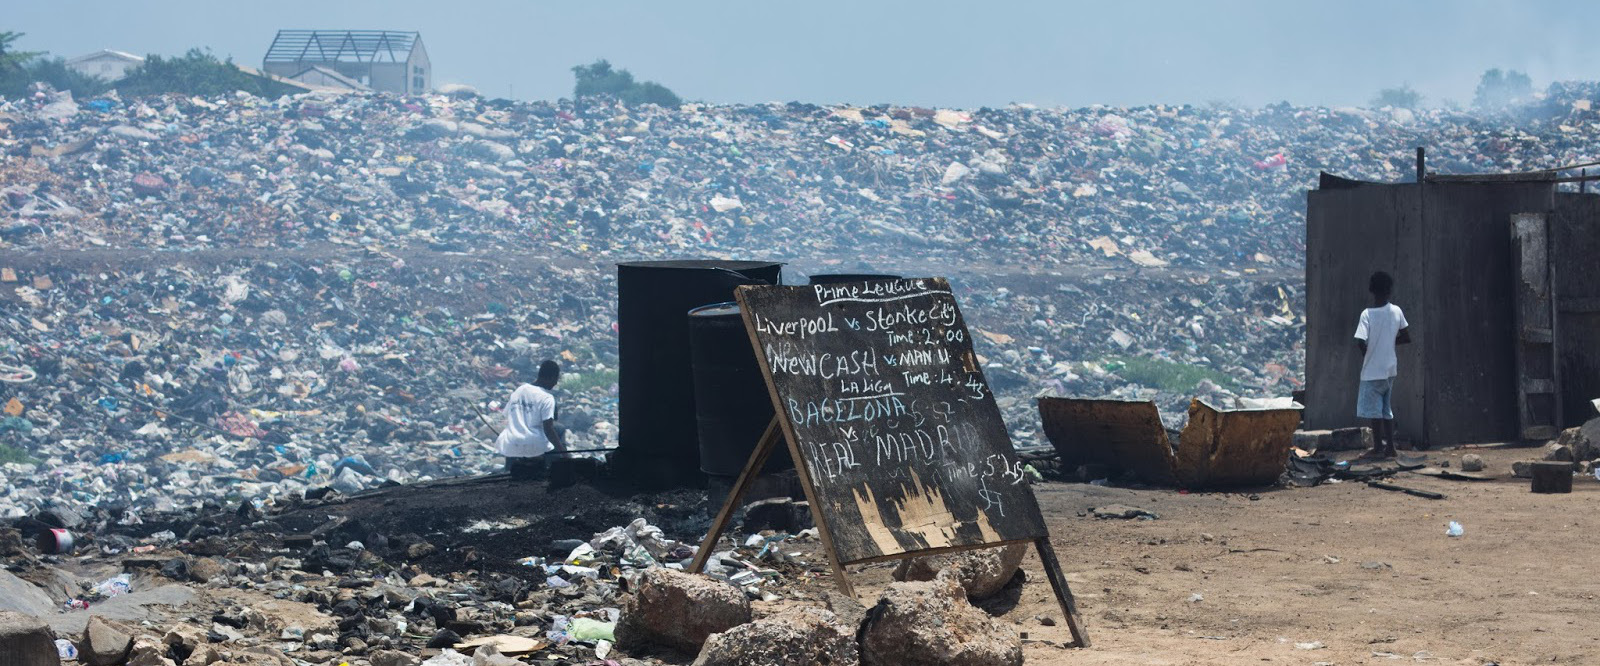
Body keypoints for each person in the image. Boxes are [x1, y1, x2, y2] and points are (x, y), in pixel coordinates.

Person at [1354, 271, 1411, 459]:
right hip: (1390, 368)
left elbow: (1360, 341)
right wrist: (1388, 343)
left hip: (1372, 370)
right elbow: (1406, 337)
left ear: (1372, 290)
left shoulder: (1367, 314)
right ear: (1389, 290)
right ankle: (1391, 448)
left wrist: (1369, 351)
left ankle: (1378, 447)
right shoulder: (1396, 311)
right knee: (1387, 409)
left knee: (1375, 412)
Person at [497, 360, 566, 478]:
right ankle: (552, 472)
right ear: (550, 378)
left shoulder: (519, 390)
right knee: (558, 431)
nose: (555, 384)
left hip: (509, 444)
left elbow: (507, 415)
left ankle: (509, 472)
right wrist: (564, 454)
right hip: (534, 447)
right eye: (555, 380)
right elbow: (549, 429)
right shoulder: (547, 398)